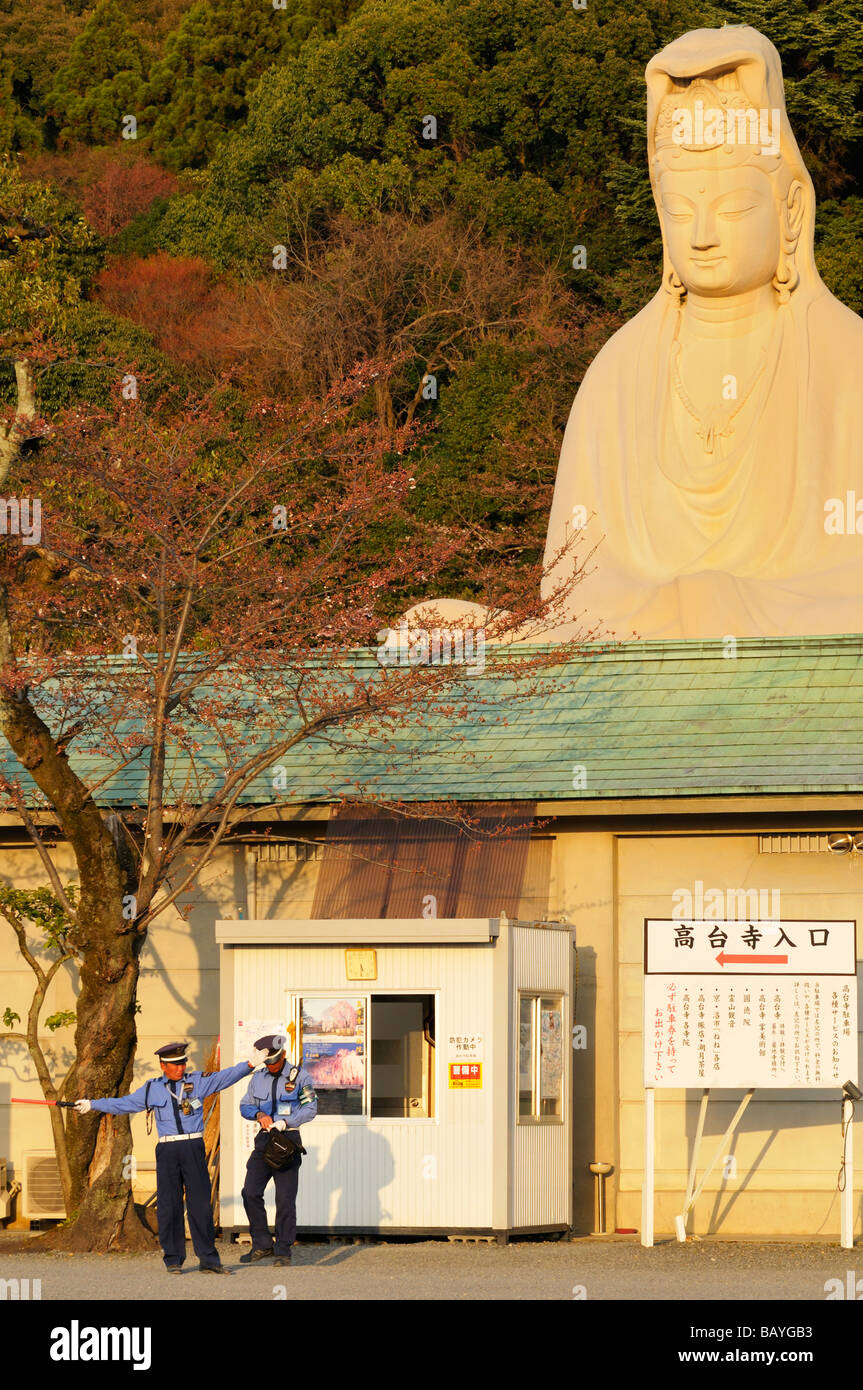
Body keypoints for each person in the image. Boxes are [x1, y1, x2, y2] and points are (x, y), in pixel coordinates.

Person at [75, 1039, 266, 1274]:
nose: (181, 1067)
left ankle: (209, 1260)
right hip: (167, 1150)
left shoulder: (197, 1081)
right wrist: (93, 1104)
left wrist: (249, 1065)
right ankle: (173, 1259)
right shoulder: (152, 1087)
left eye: (183, 1062)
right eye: (175, 1064)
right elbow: (124, 1103)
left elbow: (224, 1077)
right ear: (163, 1066)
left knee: (200, 1206)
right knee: (169, 1205)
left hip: (193, 1147)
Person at [239, 1034, 317, 1266]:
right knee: (250, 1192)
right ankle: (262, 1244)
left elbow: (311, 1107)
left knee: (284, 1199)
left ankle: (283, 1250)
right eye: (267, 1062)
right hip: (264, 1141)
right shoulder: (257, 1078)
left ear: (283, 1055)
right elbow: (245, 1104)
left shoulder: (300, 1076)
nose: (271, 1066)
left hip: (288, 1140)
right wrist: (258, 1114)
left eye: (274, 1061)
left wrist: (287, 1122)